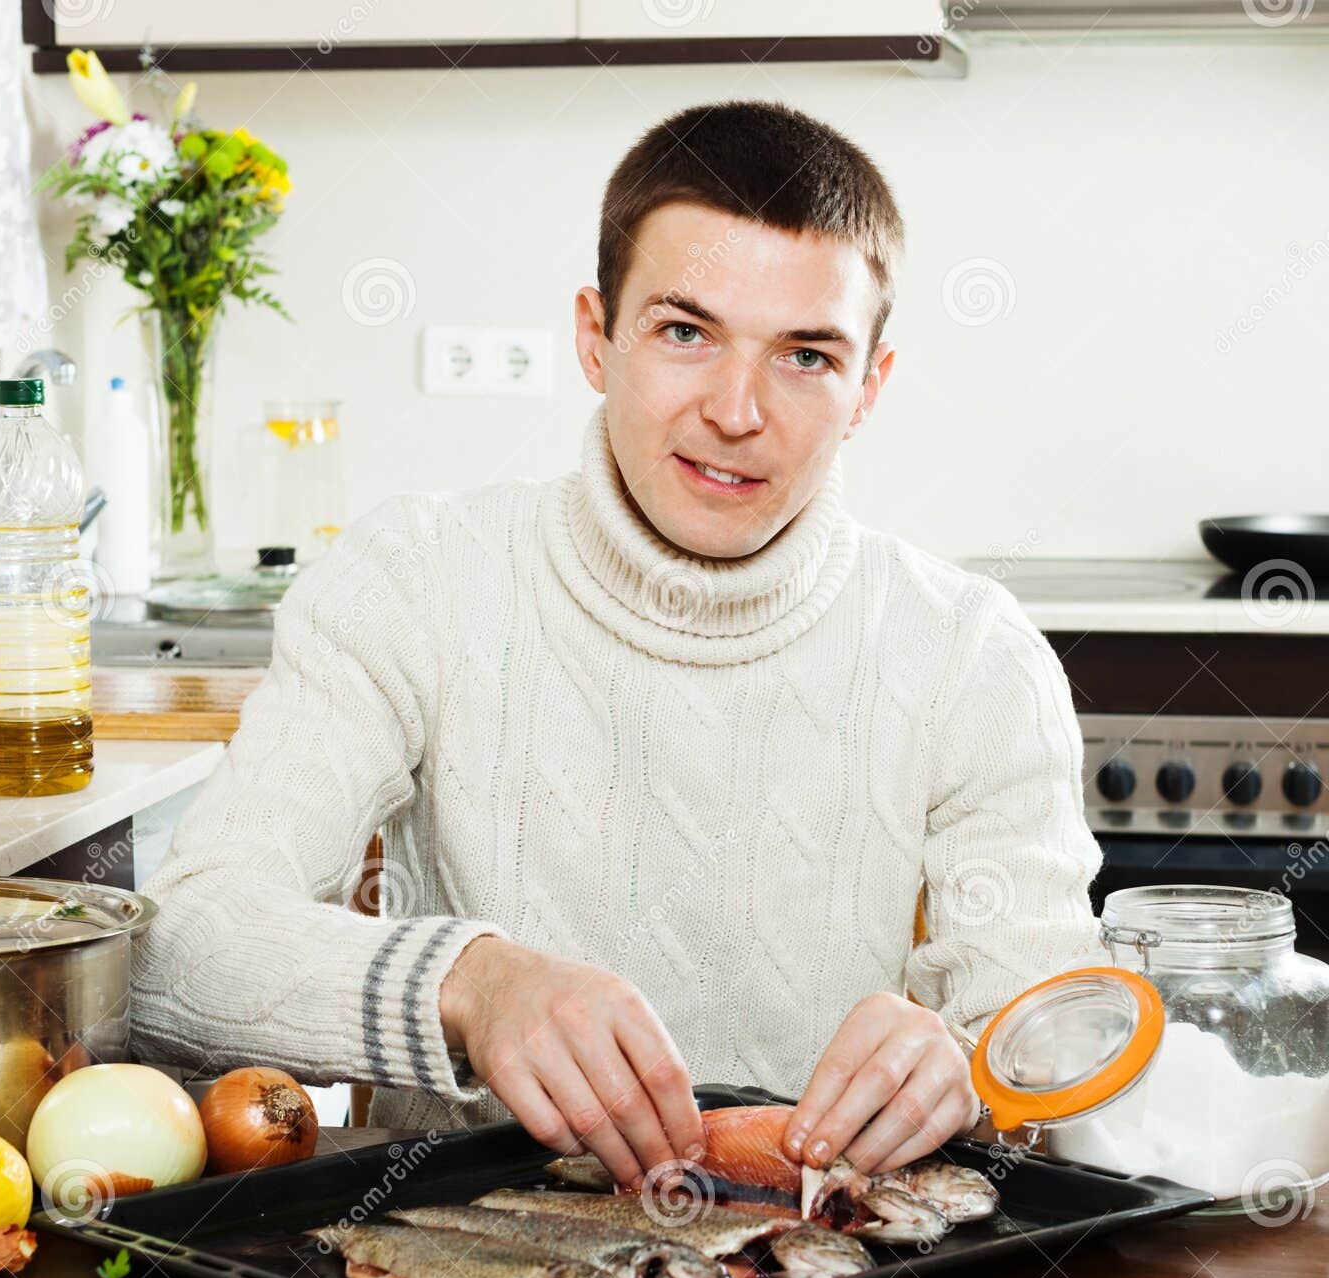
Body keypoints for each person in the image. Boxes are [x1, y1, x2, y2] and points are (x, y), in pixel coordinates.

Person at [132, 99, 1103, 1191]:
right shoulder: (415, 579)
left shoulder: (971, 654)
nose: (736, 410)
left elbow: (1056, 1035)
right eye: (684, 333)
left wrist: (969, 1068)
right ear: (596, 338)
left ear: (867, 387)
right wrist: (475, 983)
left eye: (805, 357)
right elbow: (179, 946)